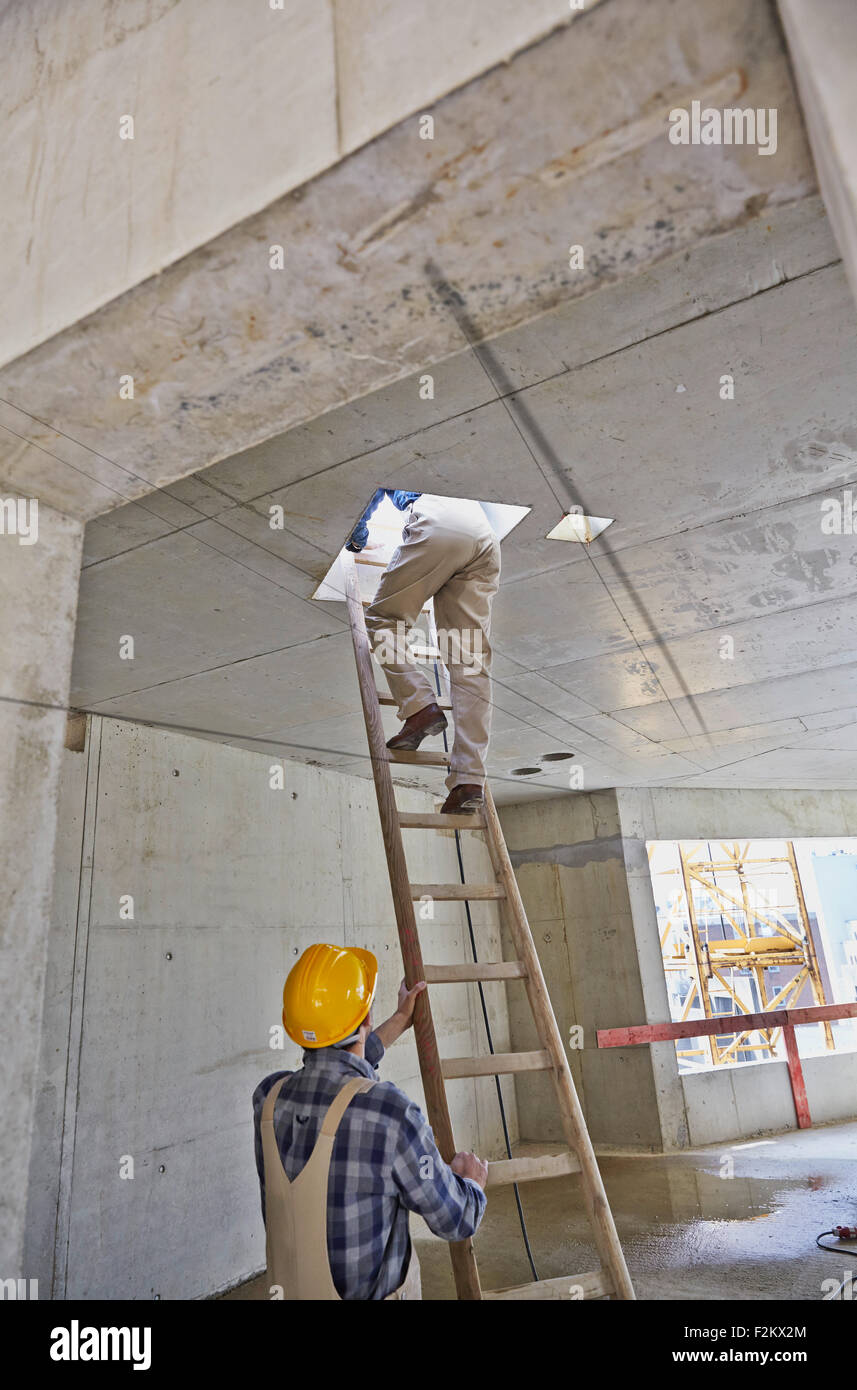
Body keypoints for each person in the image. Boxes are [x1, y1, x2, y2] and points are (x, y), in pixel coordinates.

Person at [252, 943, 488, 1301]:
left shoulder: (269, 1098)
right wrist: (470, 1184)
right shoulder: (390, 1113)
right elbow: (454, 1219)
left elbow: (335, 1076)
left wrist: (398, 1021)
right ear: (364, 1020)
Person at [347, 491, 501, 815]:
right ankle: (469, 782)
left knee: (383, 619)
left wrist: (357, 539)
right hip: (483, 534)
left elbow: (368, 492)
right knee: (470, 663)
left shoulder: (395, 452)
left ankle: (419, 707)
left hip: (439, 523)